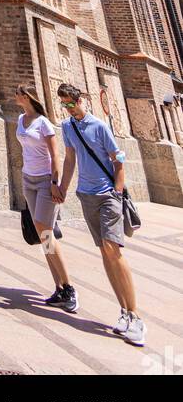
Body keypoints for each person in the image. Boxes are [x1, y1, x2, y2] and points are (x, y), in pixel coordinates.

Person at [55, 82, 144, 346]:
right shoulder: (68, 127)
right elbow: (70, 159)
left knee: (112, 248)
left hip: (108, 196)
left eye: (71, 103)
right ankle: (123, 311)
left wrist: (117, 193)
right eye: (64, 105)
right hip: (86, 195)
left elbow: (118, 161)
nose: (69, 109)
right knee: (105, 253)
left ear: (81, 100)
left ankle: (135, 316)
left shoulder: (99, 126)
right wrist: (63, 188)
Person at [14, 84, 77, 312]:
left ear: (27, 96)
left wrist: (55, 183)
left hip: (45, 182)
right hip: (28, 179)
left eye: (18, 93)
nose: (15, 96)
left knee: (45, 230)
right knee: (43, 234)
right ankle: (58, 286)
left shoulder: (44, 123)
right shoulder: (21, 120)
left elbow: (55, 155)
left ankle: (69, 287)